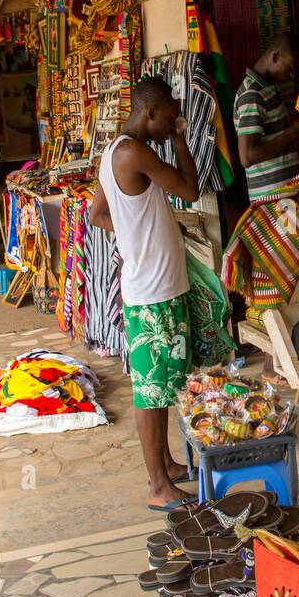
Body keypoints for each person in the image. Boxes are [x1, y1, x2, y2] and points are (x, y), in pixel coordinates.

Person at [89, 76, 199, 512]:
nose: (172, 124)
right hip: (153, 289)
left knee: (159, 386)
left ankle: (167, 466)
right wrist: (183, 142)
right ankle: (158, 486)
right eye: (169, 118)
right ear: (150, 113)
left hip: (151, 282)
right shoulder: (136, 152)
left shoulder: (114, 151)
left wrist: (139, 233)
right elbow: (190, 190)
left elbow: (99, 214)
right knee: (150, 391)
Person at [234, 34, 299, 202]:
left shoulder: (268, 88)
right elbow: (247, 157)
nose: (292, 75)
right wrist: (294, 132)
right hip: (272, 201)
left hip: (284, 195)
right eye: (290, 67)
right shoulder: (252, 94)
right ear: (275, 57)